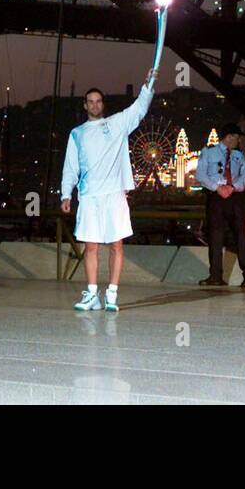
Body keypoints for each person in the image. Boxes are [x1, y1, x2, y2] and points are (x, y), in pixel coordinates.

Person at [59, 72, 156, 313]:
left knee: (117, 245)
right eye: (90, 101)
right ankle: (92, 294)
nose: (94, 105)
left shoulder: (117, 124)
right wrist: (65, 194)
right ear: (85, 105)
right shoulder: (77, 133)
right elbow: (70, 166)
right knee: (90, 247)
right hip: (89, 195)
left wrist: (148, 84)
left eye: (98, 101)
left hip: (114, 193)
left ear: (103, 104)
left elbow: (139, 108)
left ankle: (112, 293)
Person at [195, 123, 245, 288]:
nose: (238, 140)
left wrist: (233, 187)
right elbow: (200, 174)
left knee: (241, 236)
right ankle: (215, 276)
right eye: (236, 137)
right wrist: (217, 188)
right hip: (216, 198)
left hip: (235, 197)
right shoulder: (208, 152)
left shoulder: (238, 156)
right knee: (215, 237)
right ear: (229, 136)